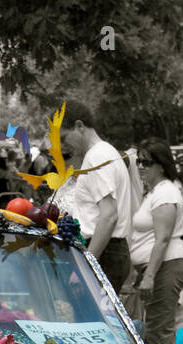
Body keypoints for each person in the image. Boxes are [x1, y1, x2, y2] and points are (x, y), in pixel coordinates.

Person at [59, 99, 133, 293]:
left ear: (79, 126)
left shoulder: (97, 156)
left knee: (91, 322)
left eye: (64, 138)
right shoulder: (105, 153)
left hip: (103, 252)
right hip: (108, 251)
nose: (62, 146)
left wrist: (85, 266)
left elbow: (109, 215)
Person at [129, 139, 183, 344]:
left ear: (162, 165)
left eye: (146, 162)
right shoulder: (155, 191)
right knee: (155, 328)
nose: (140, 167)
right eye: (138, 161)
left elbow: (163, 238)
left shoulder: (166, 192)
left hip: (166, 266)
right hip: (159, 267)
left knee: (158, 332)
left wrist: (149, 276)